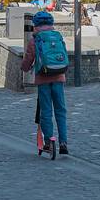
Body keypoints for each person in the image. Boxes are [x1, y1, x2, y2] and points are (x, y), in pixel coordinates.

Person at [21, 11, 69, 158]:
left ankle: (48, 141)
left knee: (46, 112)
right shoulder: (58, 37)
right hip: (59, 77)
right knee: (61, 110)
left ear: (36, 25)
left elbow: (28, 60)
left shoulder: (34, 40)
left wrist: (24, 68)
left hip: (43, 79)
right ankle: (63, 142)